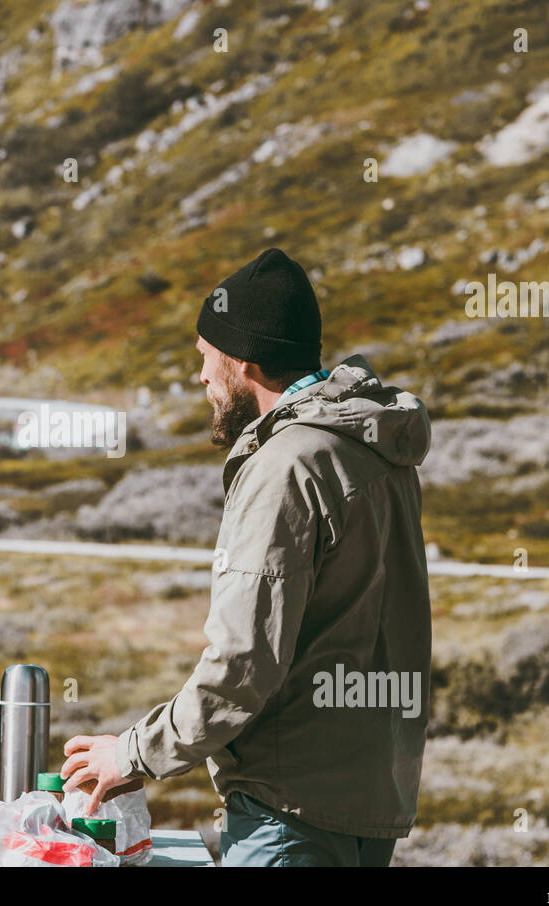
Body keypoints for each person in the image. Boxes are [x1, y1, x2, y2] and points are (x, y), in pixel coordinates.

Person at [61, 248, 433, 866]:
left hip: (289, 812)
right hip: (369, 801)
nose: (201, 378)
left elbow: (242, 664)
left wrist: (130, 754)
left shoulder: (286, 467)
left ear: (243, 359)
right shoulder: (372, 450)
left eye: (207, 360)